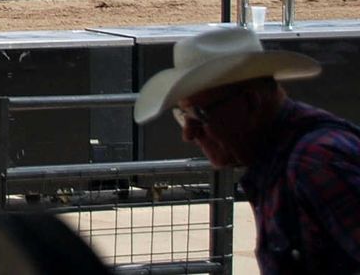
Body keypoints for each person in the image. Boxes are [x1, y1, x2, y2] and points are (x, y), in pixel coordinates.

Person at [134, 26, 360, 275]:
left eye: (199, 114)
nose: (189, 133)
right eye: (184, 116)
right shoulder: (283, 162)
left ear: (251, 102)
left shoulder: (315, 163)